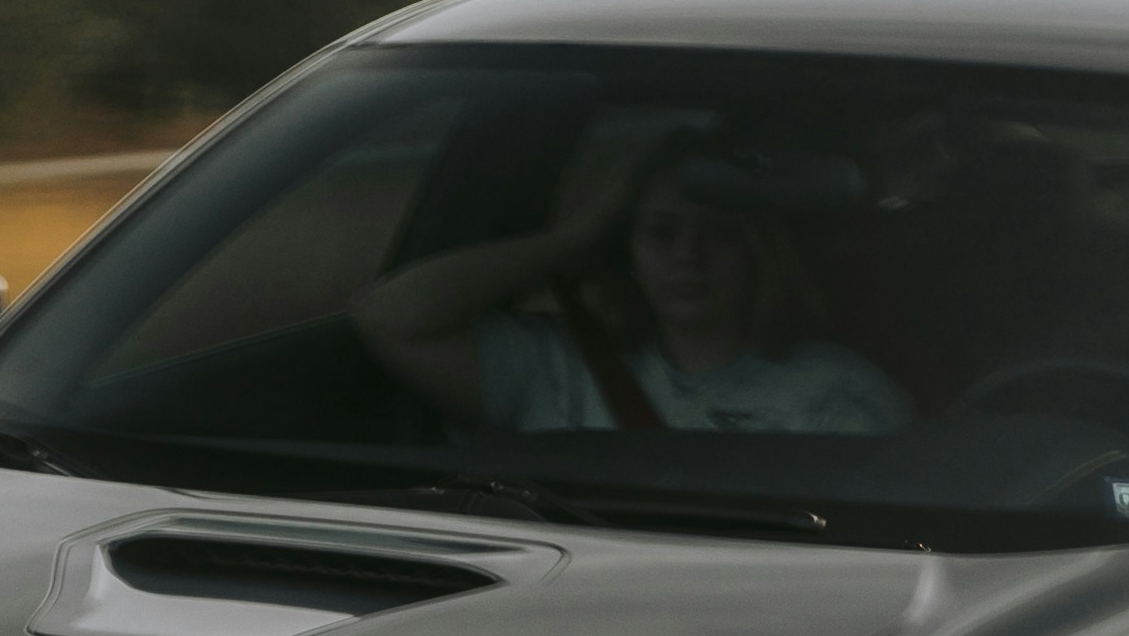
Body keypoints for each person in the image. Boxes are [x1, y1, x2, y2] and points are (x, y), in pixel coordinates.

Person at [354, 132, 909, 439]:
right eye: (661, 232)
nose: (688, 256)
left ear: (761, 253)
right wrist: (579, 237)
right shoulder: (556, 366)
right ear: (627, 249)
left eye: (720, 234)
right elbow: (389, 318)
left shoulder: (837, 393)